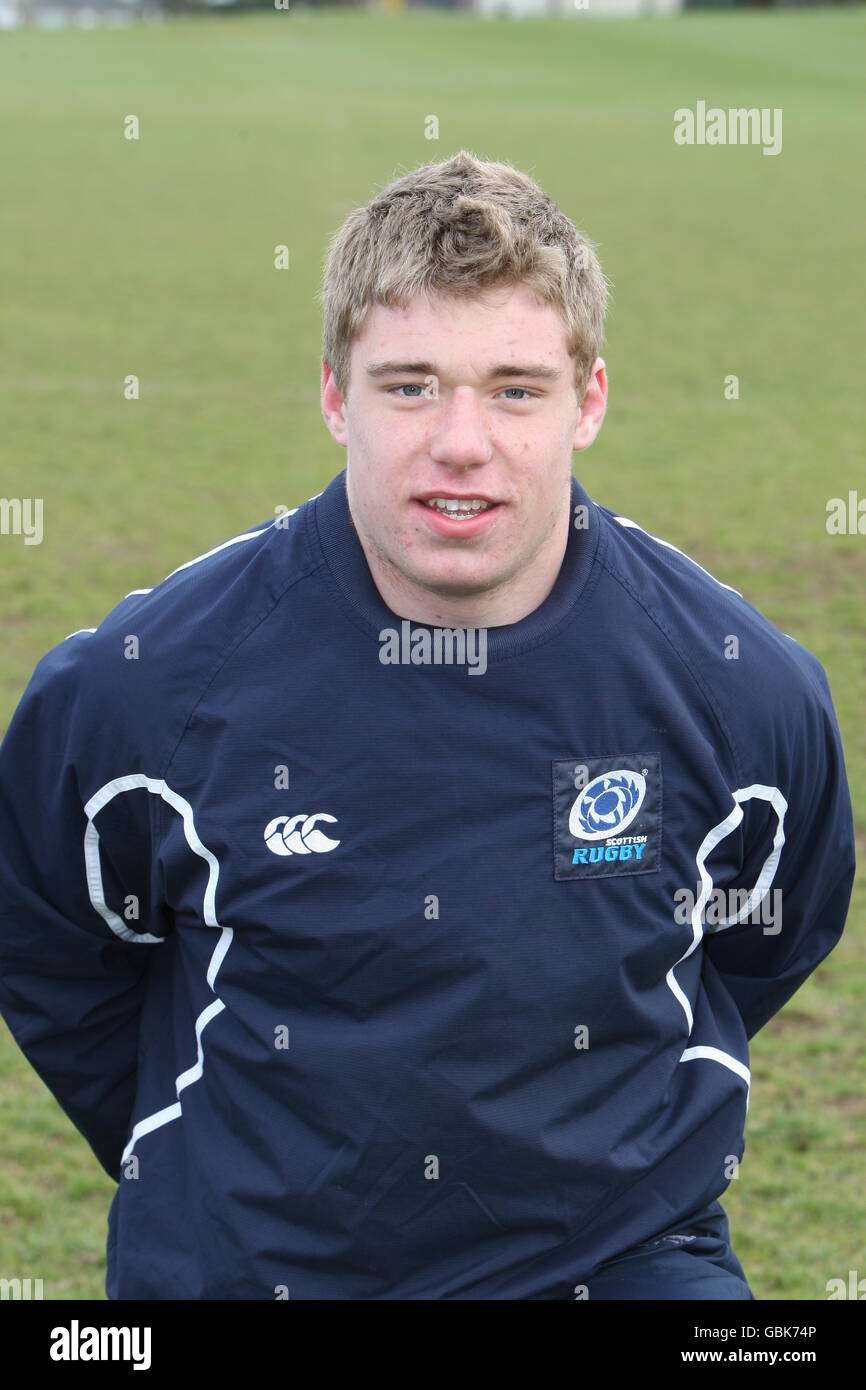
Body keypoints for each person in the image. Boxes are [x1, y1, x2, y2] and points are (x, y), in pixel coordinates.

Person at [0, 150, 855, 1301]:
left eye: (514, 388)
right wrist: (197, 1151)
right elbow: (47, 933)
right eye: (409, 385)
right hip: (260, 1267)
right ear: (333, 394)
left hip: (619, 1259)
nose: (461, 442)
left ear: (586, 400)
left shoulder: (739, 689)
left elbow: (770, 926)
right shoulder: (143, 687)